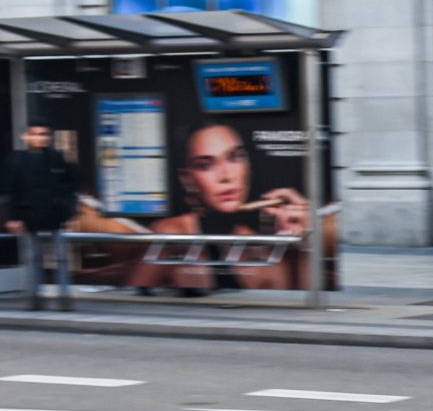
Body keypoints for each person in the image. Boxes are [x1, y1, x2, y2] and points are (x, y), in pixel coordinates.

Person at [127, 122, 333, 294]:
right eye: (205, 165)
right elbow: (131, 300)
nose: (226, 176)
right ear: (187, 179)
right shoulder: (171, 233)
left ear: (248, 166)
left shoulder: (266, 251)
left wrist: (307, 239)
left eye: (235, 157)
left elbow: (303, 311)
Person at [2, 122, 78, 311]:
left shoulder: (56, 158)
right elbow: (10, 191)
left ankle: (64, 297)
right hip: (29, 215)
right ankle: (36, 297)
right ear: (26, 136)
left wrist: (67, 208)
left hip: (55, 215)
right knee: (33, 258)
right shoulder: (17, 160)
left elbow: (70, 184)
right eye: (35, 134)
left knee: (61, 258)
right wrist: (13, 217)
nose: (40, 138)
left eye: (43, 134)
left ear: (49, 137)